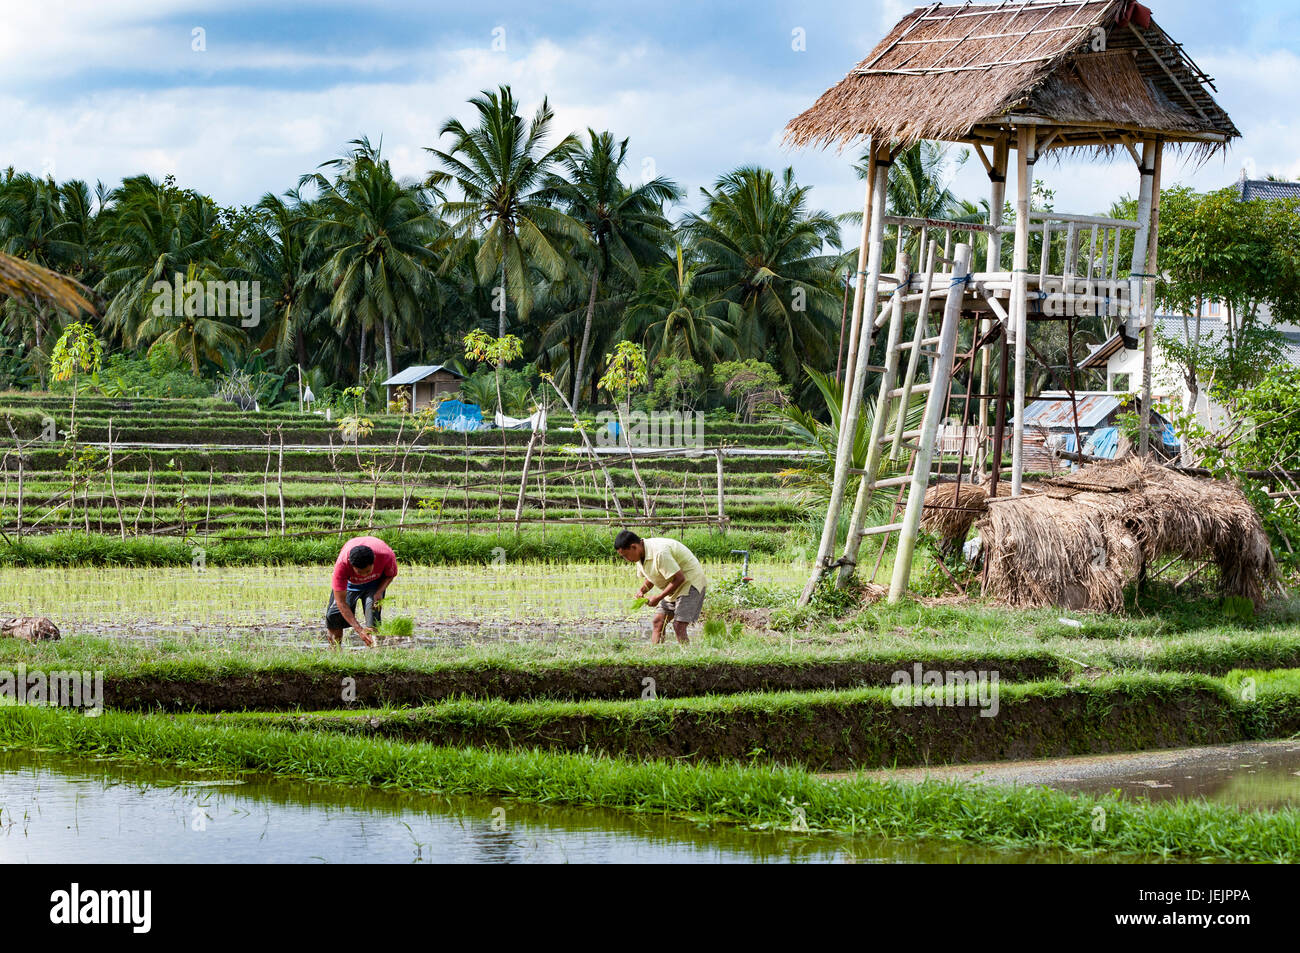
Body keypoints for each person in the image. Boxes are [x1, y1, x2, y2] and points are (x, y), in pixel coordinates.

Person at [614, 530, 707, 645]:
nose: (626, 559)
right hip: (674, 585)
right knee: (658, 622)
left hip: (690, 583)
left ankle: (687, 657)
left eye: (626, 555)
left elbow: (679, 578)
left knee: (679, 625)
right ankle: (656, 655)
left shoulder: (659, 552)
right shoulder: (639, 556)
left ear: (634, 547)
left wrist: (658, 597)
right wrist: (642, 590)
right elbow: (651, 577)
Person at [325, 536, 397, 647]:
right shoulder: (342, 565)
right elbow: (341, 602)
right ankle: (336, 652)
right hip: (350, 584)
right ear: (351, 565)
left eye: (368, 571)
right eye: (359, 571)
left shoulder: (386, 556)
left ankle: (375, 652)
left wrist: (379, 591)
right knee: (334, 616)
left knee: (373, 617)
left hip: (374, 584)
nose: (364, 575)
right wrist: (359, 630)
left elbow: (390, 575)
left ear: (374, 561)